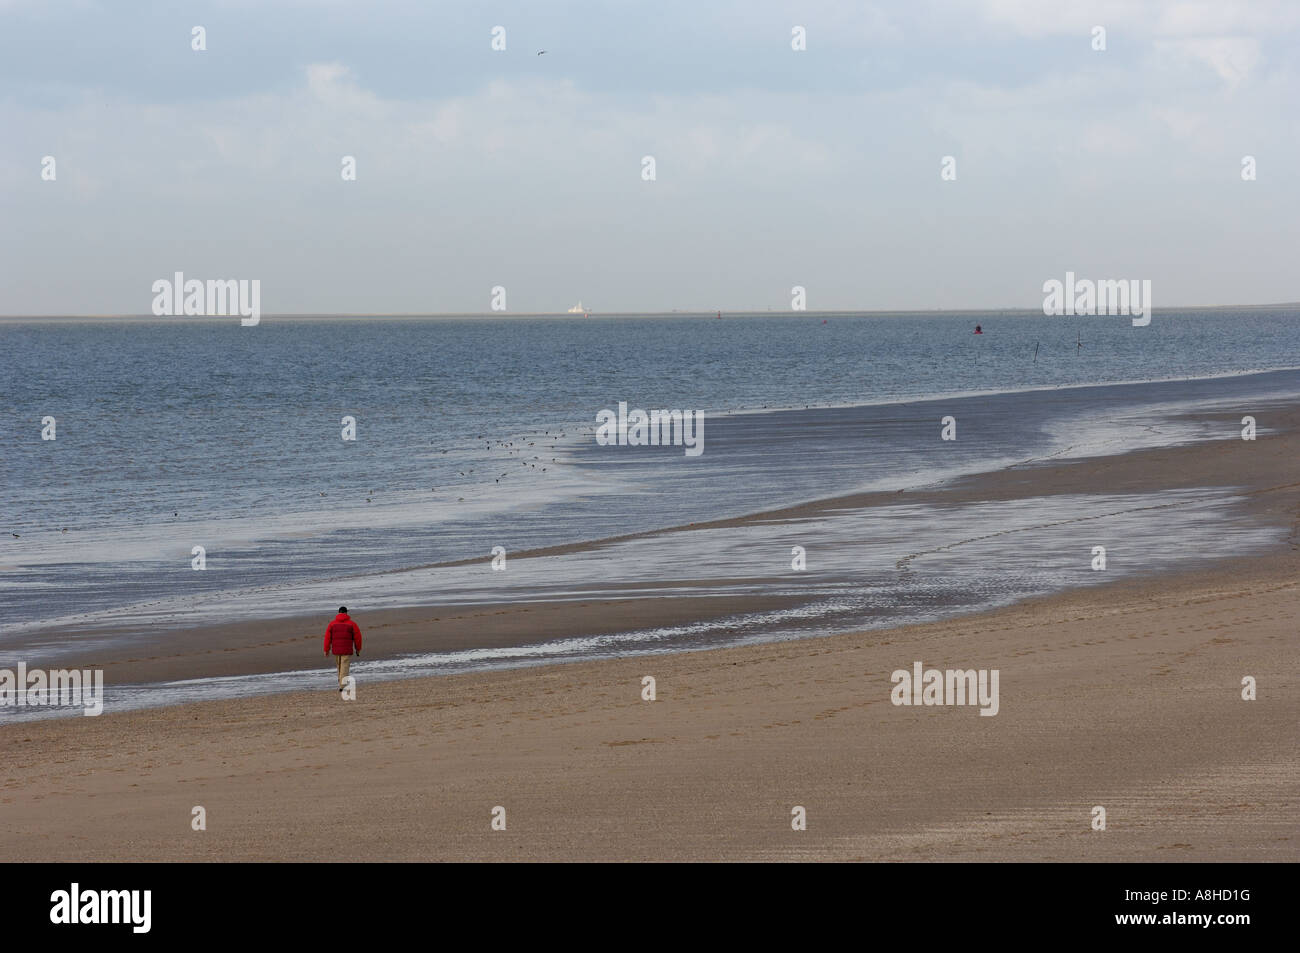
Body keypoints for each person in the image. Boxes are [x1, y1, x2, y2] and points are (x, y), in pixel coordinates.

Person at [324, 606, 362, 692]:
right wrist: (358, 648)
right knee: (344, 666)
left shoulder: (332, 624)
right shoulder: (352, 624)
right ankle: (342, 684)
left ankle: (341, 682)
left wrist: (326, 650)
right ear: (346, 613)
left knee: (339, 666)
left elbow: (327, 638)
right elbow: (358, 638)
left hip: (336, 649)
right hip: (347, 649)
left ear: (338, 613)